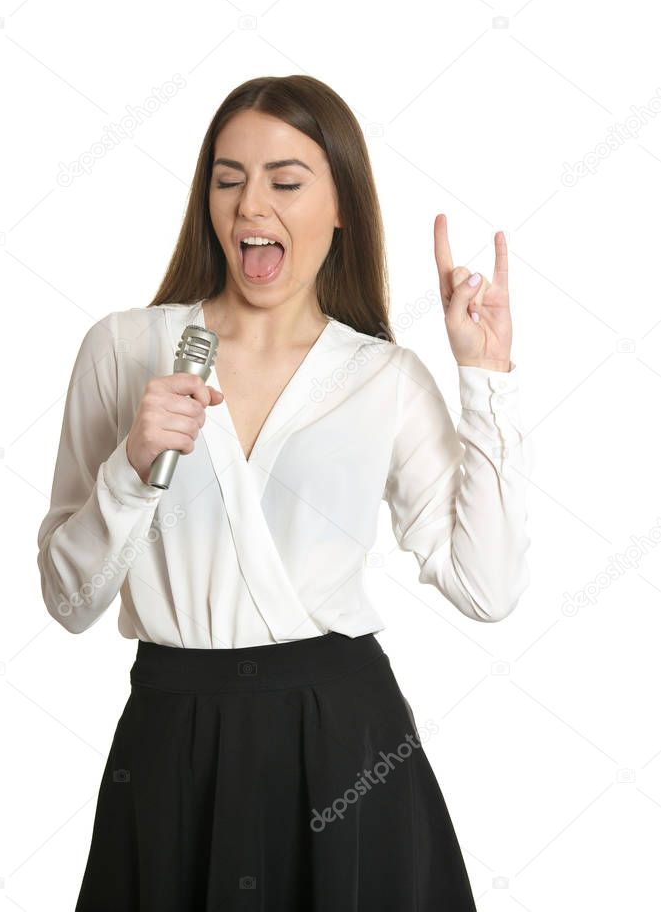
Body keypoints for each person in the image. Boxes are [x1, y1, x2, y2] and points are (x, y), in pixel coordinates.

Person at [37, 74, 532, 911]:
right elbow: (67, 598)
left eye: (285, 181)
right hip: (170, 741)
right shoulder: (126, 349)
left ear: (341, 205)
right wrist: (130, 464)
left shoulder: (385, 377)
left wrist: (481, 377)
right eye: (227, 179)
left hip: (344, 742)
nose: (249, 204)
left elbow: (487, 588)